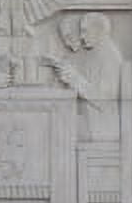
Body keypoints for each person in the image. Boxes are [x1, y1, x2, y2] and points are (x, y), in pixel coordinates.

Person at [48, 12, 123, 142]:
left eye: (84, 31)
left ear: (99, 30)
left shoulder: (109, 57)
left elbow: (104, 100)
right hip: (90, 121)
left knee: (52, 131)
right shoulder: (96, 54)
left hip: (99, 127)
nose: (82, 37)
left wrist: (74, 79)